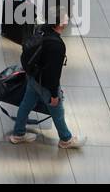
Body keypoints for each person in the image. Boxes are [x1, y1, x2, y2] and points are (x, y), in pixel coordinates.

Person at [6, 9, 81, 148]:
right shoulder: (57, 45)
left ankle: (18, 134)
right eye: (65, 18)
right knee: (57, 111)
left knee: (26, 105)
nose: (67, 19)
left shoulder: (41, 30)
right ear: (59, 24)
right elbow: (52, 73)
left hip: (33, 77)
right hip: (45, 84)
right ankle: (66, 139)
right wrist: (53, 94)